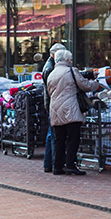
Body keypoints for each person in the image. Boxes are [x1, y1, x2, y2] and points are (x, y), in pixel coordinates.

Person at [46, 49, 99, 175]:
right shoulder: (71, 70)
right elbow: (84, 85)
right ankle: (70, 165)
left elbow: (49, 92)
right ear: (66, 60)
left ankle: (57, 166)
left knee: (60, 139)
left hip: (55, 109)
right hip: (70, 109)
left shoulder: (51, 73)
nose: (71, 61)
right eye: (70, 59)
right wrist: (96, 84)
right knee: (73, 138)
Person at [41, 43, 67, 173]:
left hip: (52, 103)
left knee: (52, 134)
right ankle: (52, 163)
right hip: (53, 103)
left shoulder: (50, 66)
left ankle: (50, 163)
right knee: (53, 134)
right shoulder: (50, 68)